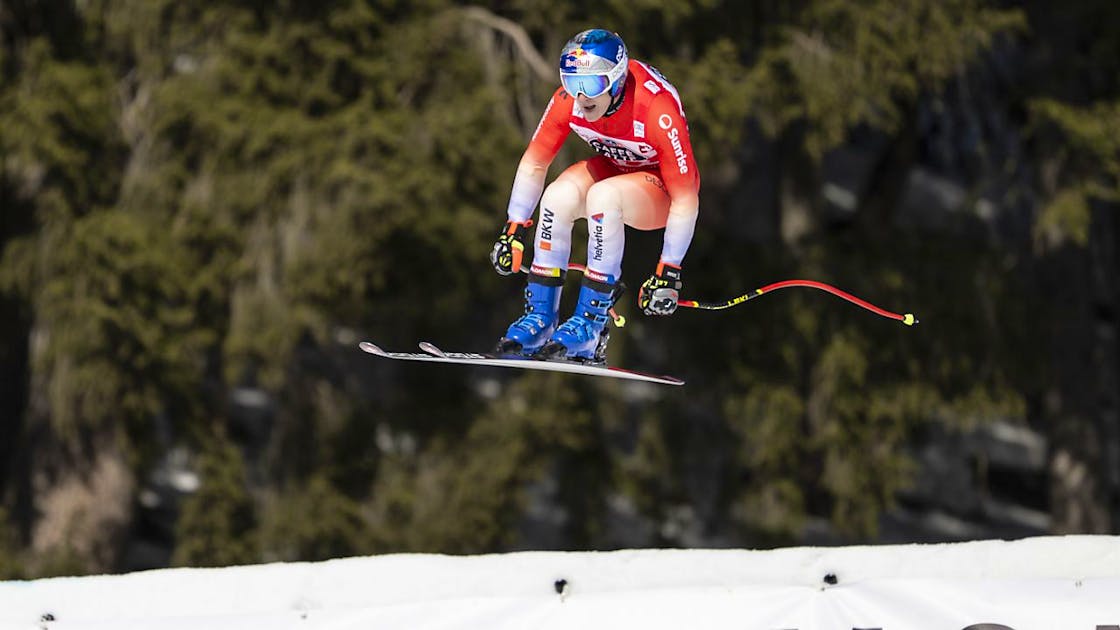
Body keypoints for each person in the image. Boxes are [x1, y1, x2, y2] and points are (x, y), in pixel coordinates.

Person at [490, 29, 700, 363]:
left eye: (590, 85)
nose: (580, 96)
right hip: (616, 169)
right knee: (557, 197)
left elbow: (686, 197)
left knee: (603, 197)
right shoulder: (568, 102)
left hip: (659, 190)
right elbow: (534, 163)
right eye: (571, 82)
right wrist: (513, 229)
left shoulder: (655, 110)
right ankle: (540, 319)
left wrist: (668, 270)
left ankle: (591, 325)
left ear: (617, 81)